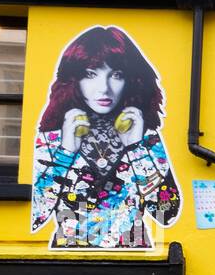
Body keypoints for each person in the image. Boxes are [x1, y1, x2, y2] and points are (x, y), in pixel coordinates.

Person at [32, 25, 180, 249]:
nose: (104, 88)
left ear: (131, 81)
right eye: (91, 74)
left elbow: (166, 213)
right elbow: (36, 215)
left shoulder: (145, 138)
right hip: (66, 263)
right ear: (74, 80)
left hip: (135, 263)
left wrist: (136, 148)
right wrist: (65, 153)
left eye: (117, 75)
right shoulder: (52, 139)